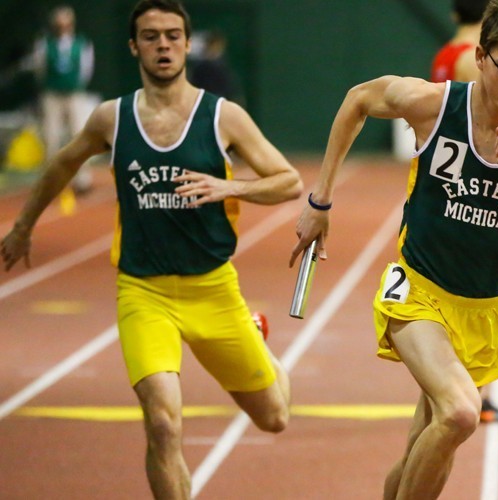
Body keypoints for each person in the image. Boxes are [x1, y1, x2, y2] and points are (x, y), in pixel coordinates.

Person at [1, 1, 302, 498]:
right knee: (163, 423)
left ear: (187, 43)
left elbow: (288, 181)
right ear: (133, 46)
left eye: (171, 35)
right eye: (151, 36)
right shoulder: (111, 118)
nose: (163, 45)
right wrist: (23, 226)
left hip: (213, 290)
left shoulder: (222, 116)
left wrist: (230, 188)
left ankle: (261, 347)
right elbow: (61, 164)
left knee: (274, 417)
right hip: (144, 293)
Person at [291, 0, 498, 497]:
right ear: (482, 56)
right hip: (419, 293)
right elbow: (359, 99)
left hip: (487, 310)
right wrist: (320, 200)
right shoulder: (436, 104)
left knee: (423, 455)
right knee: (461, 413)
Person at [431, 0, 498, 426]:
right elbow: (485, 127)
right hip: (476, 194)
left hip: (441, 186)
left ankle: (453, 393)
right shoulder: (475, 62)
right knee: (488, 294)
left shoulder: (444, 56)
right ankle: (475, 397)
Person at [28, 5, 97, 194]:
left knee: (79, 135)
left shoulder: (82, 43)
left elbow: (86, 70)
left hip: (74, 94)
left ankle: (82, 180)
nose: (63, 27)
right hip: (52, 95)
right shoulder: (44, 43)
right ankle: (51, 182)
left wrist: (74, 85)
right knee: (51, 137)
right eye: (59, 24)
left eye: (66, 23)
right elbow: (40, 69)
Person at [190, 30, 244, 106]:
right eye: (215, 45)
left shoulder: (222, 66)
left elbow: (230, 88)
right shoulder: (200, 67)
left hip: (221, 103)